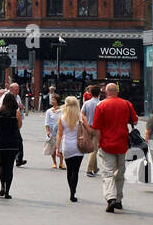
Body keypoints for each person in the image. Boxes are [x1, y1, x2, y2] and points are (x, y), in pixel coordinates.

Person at [91, 83, 138, 213]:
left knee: (108, 173)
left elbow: (97, 127)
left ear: (106, 92)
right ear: (117, 91)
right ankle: (118, 199)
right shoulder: (127, 104)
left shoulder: (101, 105)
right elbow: (134, 121)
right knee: (120, 173)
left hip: (106, 144)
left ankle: (111, 197)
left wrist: (97, 143)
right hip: (122, 144)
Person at [55, 96, 87, 202]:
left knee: (69, 170)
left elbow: (59, 134)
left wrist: (57, 148)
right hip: (79, 145)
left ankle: (71, 191)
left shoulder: (62, 118)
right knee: (76, 170)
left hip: (67, 146)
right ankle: (73, 191)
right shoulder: (80, 117)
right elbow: (88, 128)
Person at [0, 90, 24, 199]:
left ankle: (2, 186)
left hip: (0, 140)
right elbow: (19, 125)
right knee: (9, 167)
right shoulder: (17, 112)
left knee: (1, 165)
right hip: (12, 141)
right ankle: (7, 191)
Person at [82, 84, 103, 178]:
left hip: (88, 127)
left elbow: (82, 114)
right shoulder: (101, 104)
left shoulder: (86, 103)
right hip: (97, 128)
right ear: (99, 94)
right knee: (94, 149)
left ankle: (95, 168)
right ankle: (89, 169)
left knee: (92, 148)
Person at [45, 92, 63, 168]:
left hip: (61, 130)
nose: (52, 101)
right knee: (53, 147)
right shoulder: (49, 111)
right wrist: (47, 131)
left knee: (61, 147)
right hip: (52, 131)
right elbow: (47, 122)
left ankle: (61, 163)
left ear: (57, 101)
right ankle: (54, 162)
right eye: (52, 100)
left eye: (54, 100)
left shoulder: (62, 110)